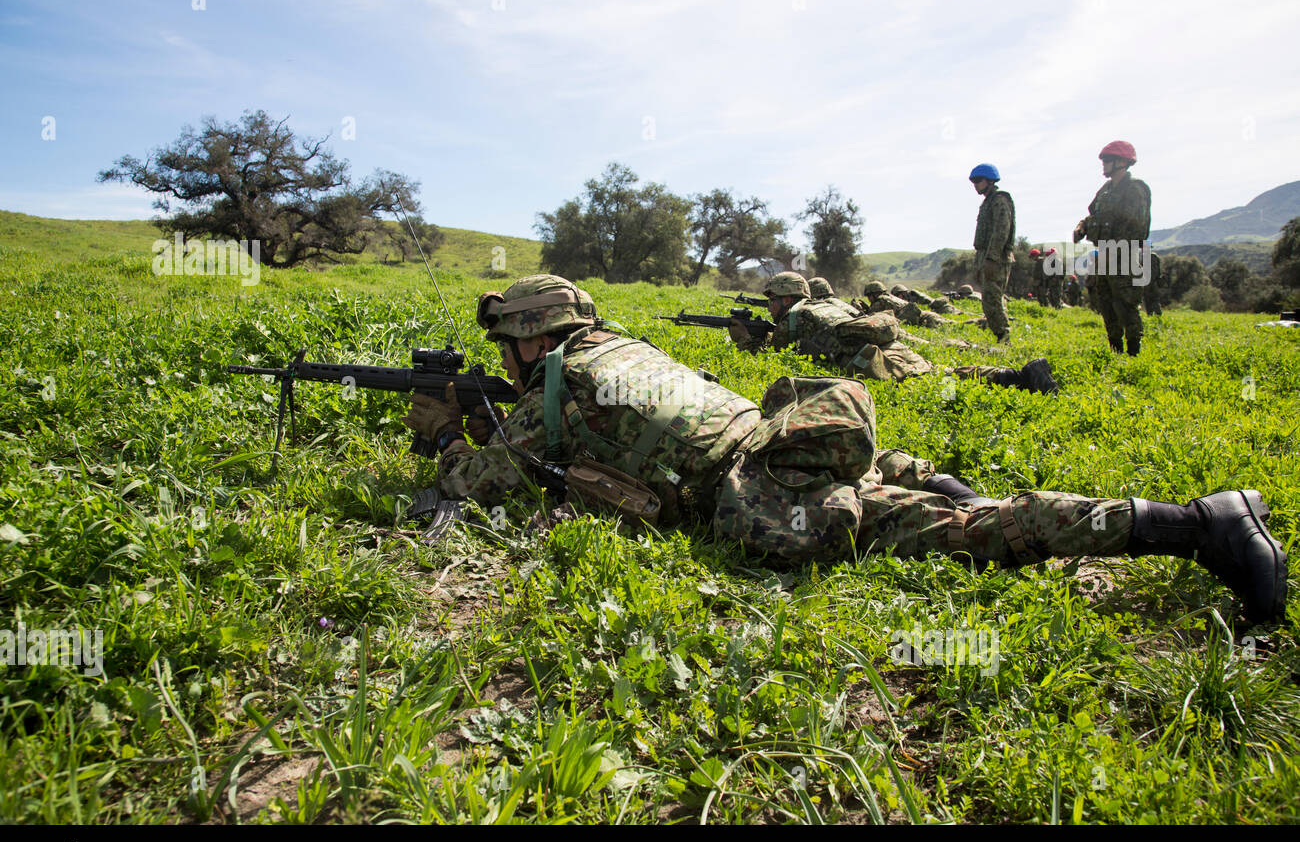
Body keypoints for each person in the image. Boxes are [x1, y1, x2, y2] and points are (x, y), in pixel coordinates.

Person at [402, 274, 1289, 624]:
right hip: (783, 432)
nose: (505, 365)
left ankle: (1196, 525)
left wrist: (443, 429)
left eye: (505, 349)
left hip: (771, 484)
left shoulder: (552, 391)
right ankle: (924, 476)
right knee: (930, 502)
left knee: (967, 535)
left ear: (526, 339)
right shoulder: (622, 352)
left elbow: (476, 484)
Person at [728, 271, 1059, 393]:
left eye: (772, 300)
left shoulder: (795, 315)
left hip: (870, 360)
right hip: (891, 344)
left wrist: (744, 338)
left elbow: (773, 352)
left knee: (937, 383)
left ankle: (1019, 378)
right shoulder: (832, 305)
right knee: (941, 373)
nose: (768, 307)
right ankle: (1017, 375)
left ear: (787, 298)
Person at [1073, 140, 1152, 355]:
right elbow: (1093, 216)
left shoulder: (1136, 189)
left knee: (1126, 305)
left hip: (1124, 255)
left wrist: (1117, 251)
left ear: (1121, 162)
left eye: (1107, 160)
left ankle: (1134, 353)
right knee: (1106, 305)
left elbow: (1137, 226)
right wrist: (1082, 227)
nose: (1103, 164)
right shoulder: (1105, 191)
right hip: (1104, 256)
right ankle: (1116, 351)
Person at [969, 163, 1015, 344]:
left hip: (995, 257)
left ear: (989, 180)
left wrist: (992, 258)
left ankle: (1004, 336)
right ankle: (1001, 334)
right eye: (973, 181)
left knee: (992, 299)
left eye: (978, 180)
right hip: (986, 255)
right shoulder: (988, 202)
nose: (975, 184)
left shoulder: (999, 200)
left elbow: (1001, 230)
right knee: (990, 299)